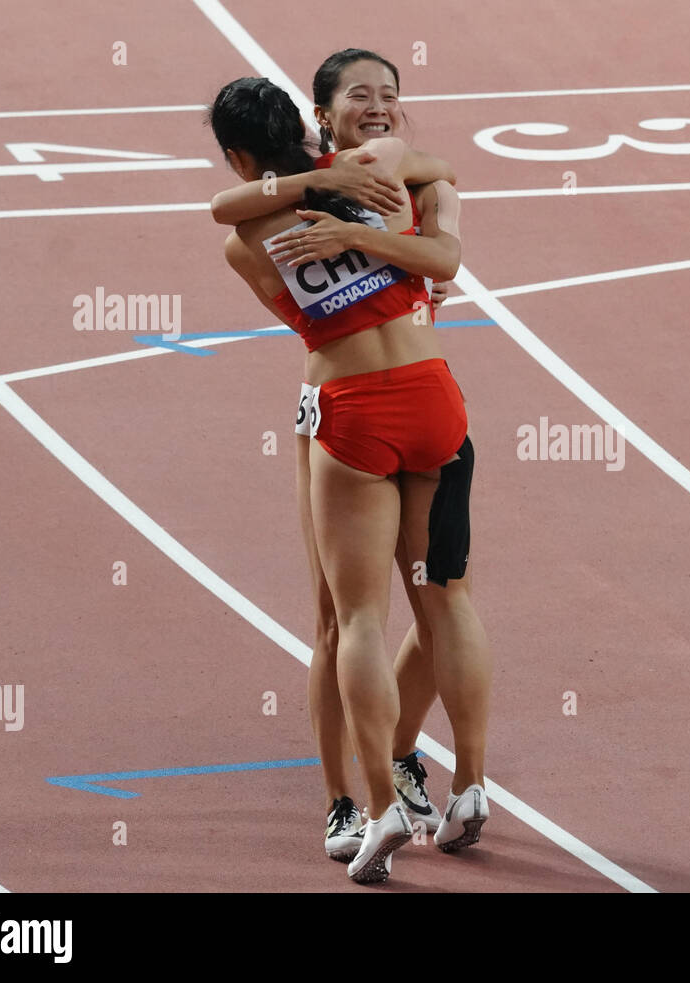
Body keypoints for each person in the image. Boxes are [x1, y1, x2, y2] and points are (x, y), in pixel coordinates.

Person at [209, 58, 491, 884]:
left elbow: (272, 277)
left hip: (350, 409)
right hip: (434, 396)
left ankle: (378, 802)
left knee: (352, 618)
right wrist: (424, 198)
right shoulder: (380, 168)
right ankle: (470, 781)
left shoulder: (244, 238)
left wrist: (303, 201)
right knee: (448, 598)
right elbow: (436, 192)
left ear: (238, 156)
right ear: (313, 122)